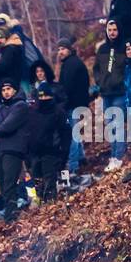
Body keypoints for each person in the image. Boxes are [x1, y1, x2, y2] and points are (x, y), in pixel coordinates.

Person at [0, 78, 30, 220]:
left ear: (15, 90)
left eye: (8, 89)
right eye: (3, 90)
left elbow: (6, 127)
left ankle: (11, 217)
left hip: (14, 149)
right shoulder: (1, 108)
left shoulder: (21, 105)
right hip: (0, 149)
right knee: (3, 183)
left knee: (10, 183)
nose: (6, 92)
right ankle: (11, 212)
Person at [94, 19, 128, 170]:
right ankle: (113, 156)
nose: (112, 32)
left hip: (119, 93)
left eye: (115, 29)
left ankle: (119, 156)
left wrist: (121, 82)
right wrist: (100, 82)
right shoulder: (102, 49)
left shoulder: (123, 47)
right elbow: (96, 69)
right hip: (106, 93)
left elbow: (127, 68)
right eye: (110, 29)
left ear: (119, 31)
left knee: (118, 125)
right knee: (110, 127)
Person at [56, 39, 91, 175]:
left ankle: (73, 166)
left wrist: (62, 105)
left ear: (69, 49)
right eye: (58, 50)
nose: (60, 52)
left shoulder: (71, 64)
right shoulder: (70, 62)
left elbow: (67, 88)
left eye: (63, 49)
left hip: (74, 105)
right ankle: (81, 158)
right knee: (75, 132)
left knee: (72, 135)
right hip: (78, 104)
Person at [28, 83, 67, 201]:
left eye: (46, 97)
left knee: (49, 182)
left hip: (51, 152)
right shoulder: (33, 112)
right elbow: (29, 133)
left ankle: (51, 206)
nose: (44, 99)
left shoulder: (58, 112)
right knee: (36, 183)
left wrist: (63, 154)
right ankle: (38, 206)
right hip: (35, 153)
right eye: (41, 97)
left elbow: (65, 134)